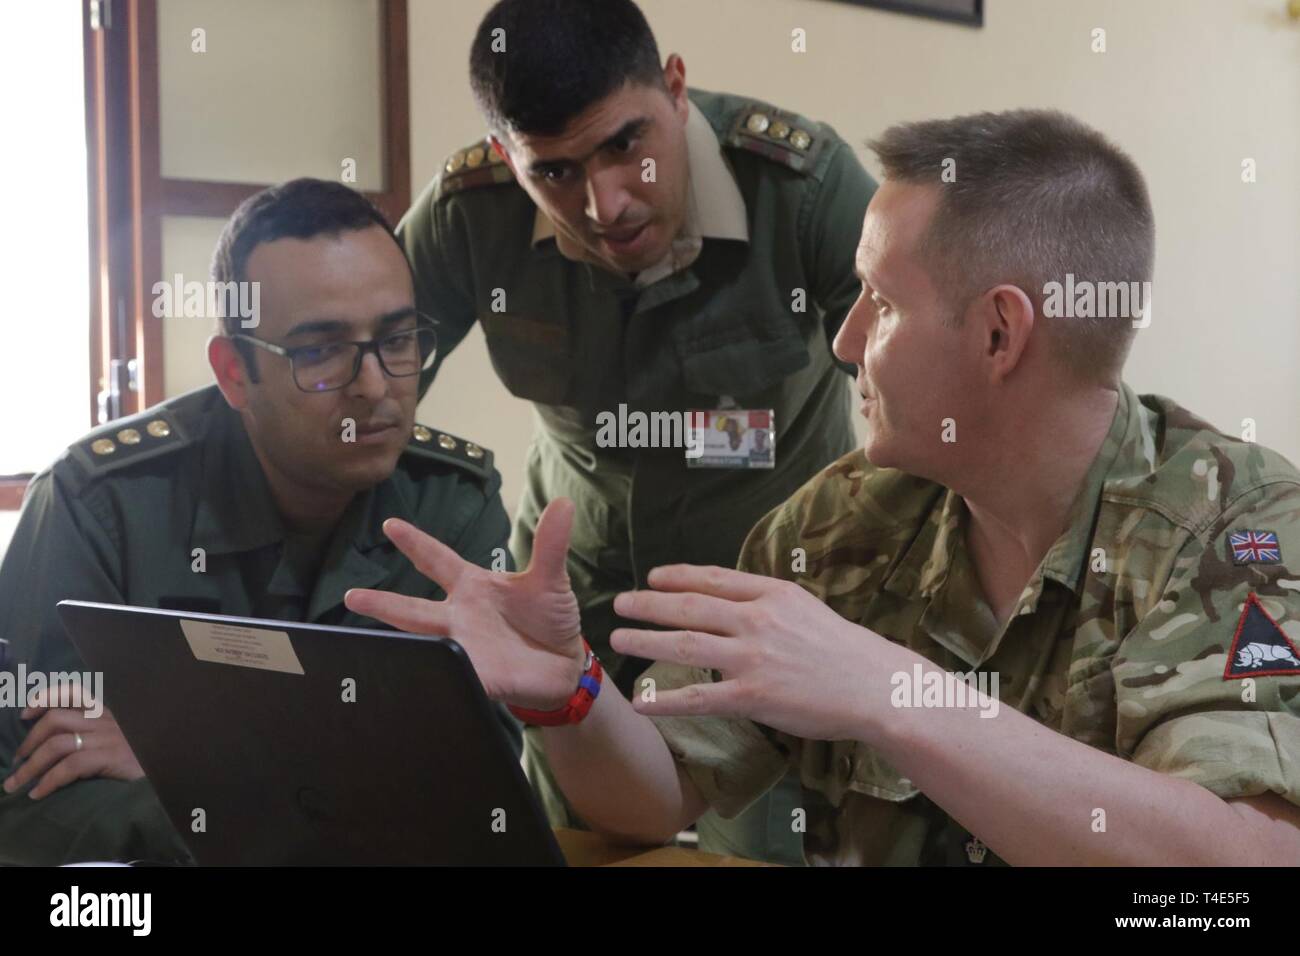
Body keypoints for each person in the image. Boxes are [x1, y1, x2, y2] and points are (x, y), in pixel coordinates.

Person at [349, 110, 1300, 865]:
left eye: (879, 304)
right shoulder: (841, 520)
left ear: (1001, 335)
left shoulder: (1242, 527)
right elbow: (659, 793)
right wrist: (569, 696)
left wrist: (888, 690)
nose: (843, 344)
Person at [400, 0, 874, 863]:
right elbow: (362, 400)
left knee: (754, 851)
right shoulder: (468, 211)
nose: (606, 203)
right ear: (509, 158)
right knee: (581, 844)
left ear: (677, 89)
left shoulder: (802, 188)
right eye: (555, 172)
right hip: (572, 598)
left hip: (763, 593)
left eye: (626, 145)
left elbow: (913, 411)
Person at [0, 179, 511, 865]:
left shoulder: (451, 505)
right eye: (320, 352)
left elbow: (478, 788)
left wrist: (184, 753)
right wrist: (330, 788)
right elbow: (32, 809)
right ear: (234, 372)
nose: (375, 385)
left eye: (398, 339)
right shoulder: (99, 504)